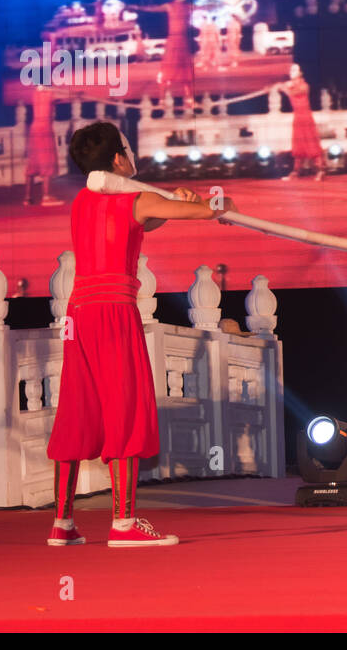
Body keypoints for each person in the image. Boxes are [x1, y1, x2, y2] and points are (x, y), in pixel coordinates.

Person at [46, 121, 235, 547]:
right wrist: (219, 203)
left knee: (79, 408)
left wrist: (172, 200)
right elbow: (208, 210)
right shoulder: (137, 199)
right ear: (118, 159)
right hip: (114, 311)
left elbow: (143, 222)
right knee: (124, 406)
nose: (132, 156)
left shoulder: (81, 202)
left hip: (79, 314)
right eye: (127, 150)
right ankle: (124, 523)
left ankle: (62, 523)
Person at [133, 0, 195, 99]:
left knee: (186, 71)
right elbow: (151, 9)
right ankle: (162, 97)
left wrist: (220, 4)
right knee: (168, 70)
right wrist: (136, 7)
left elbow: (203, 7)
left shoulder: (188, 6)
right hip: (173, 41)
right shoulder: (169, 6)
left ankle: (189, 98)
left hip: (183, 42)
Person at [282, 64, 324, 180]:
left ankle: (320, 170)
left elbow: (292, 93)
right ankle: (296, 171)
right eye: (291, 70)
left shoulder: (304, 86)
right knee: (297, 144)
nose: (292, 72)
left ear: (300, 73)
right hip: (297, 117)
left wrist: (284, 87)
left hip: (305, 116)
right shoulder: (291, 85)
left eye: (294, 70)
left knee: (311, 142)